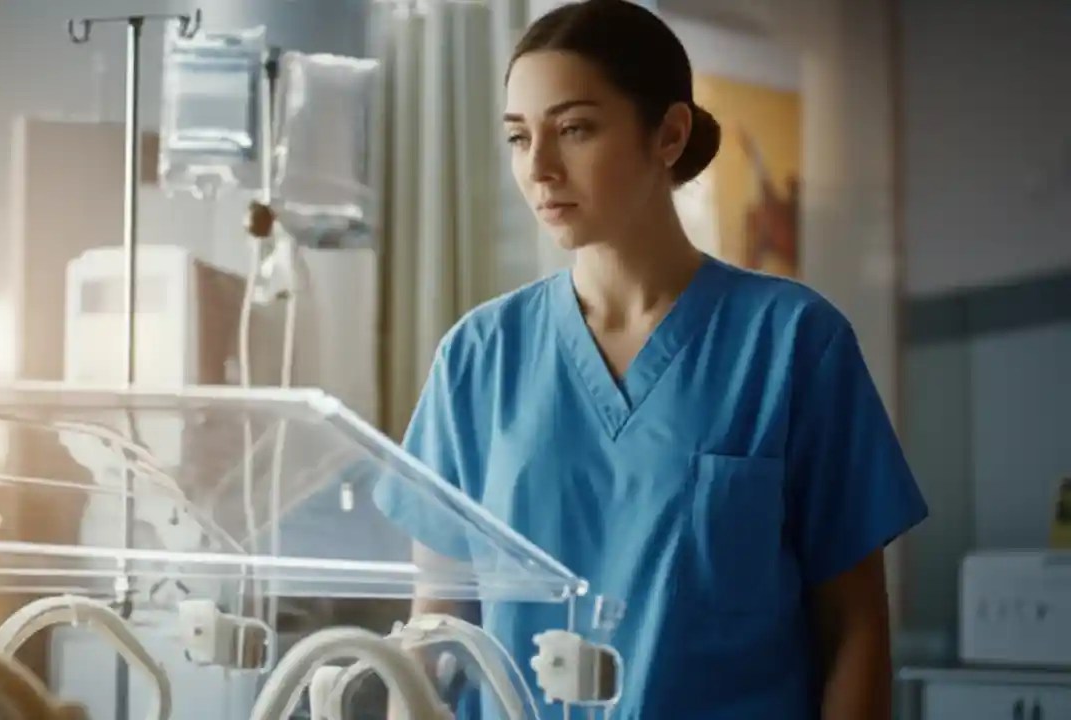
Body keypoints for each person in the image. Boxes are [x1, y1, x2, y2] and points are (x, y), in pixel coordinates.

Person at [396, 1, 929, 718]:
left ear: (669, 134)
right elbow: (437, 633)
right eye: (519, 137)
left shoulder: (792, 342)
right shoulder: (478, 357)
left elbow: (855, 628)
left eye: (574, 129)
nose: (539, 168)